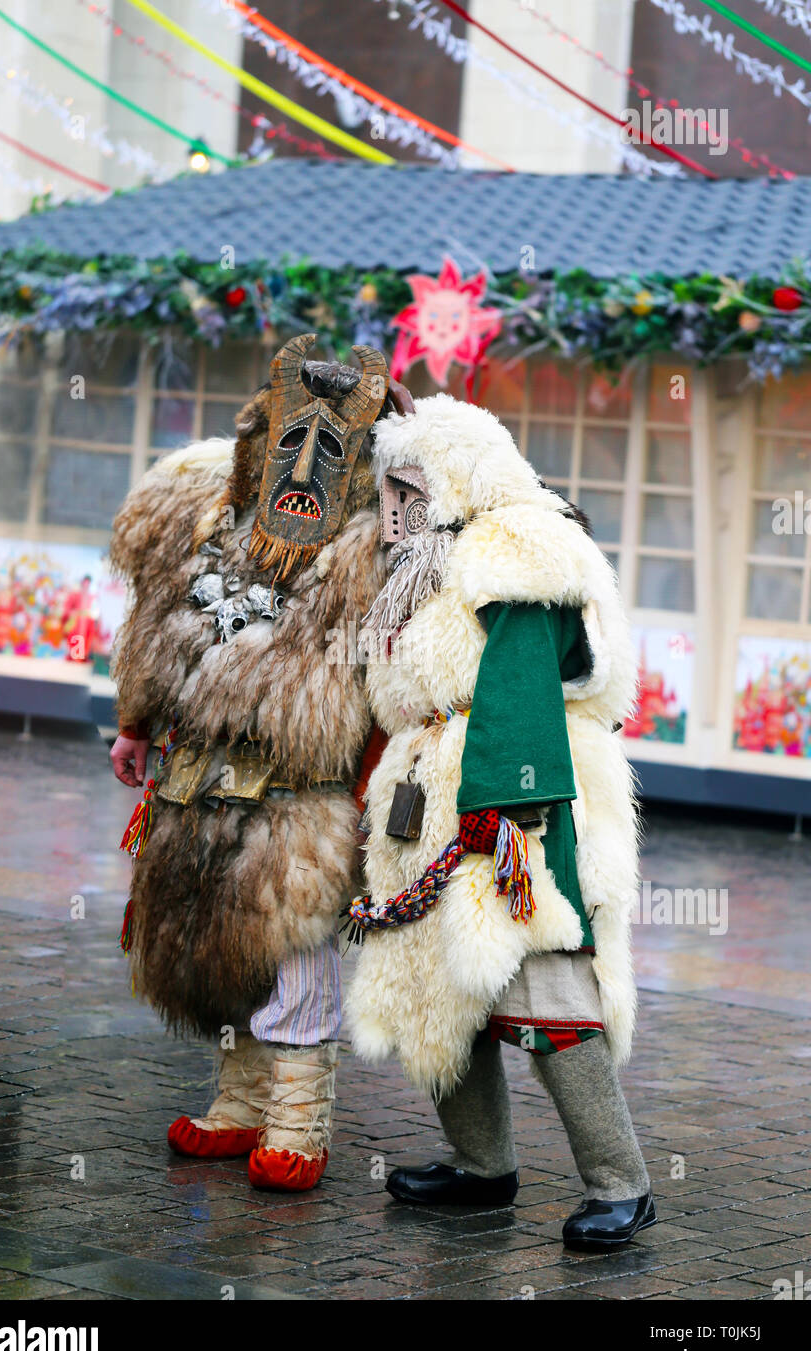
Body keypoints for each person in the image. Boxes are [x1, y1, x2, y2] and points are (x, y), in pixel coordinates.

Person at [345, 392, 655, 1251]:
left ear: (452, 478)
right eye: (391, 487)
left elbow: (520, 683)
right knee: (439, 992)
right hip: (429, 801)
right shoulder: (427, 560)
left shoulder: (515, 548)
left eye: (408, 486)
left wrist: (504, 815)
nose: (393, 506)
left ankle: (621, 1182)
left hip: (516, 811)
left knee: (547, 985)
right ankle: (483, 1169)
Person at [109, 333, 409, 1192]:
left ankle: (297, 1116)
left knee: (291, 943)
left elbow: (405, 656)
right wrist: (137, 724)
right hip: (195, 775)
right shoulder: (208, 516)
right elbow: (155, 625)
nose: (307, 460)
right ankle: (241, 1104)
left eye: (330, 440)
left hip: (299, 789)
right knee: (211, 945)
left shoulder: (383, 532)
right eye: (289, 438)